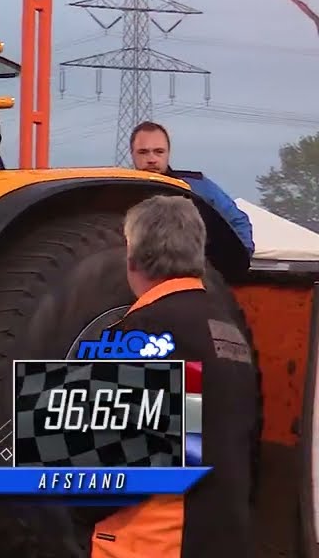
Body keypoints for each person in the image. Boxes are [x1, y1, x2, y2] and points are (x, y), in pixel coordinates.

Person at [82, 195, 258, 557]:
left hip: (157, 545)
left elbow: (112, 469)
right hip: (224, 539)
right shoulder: (228, 330)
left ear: (133, 257)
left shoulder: (141, 332)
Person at [129, 121, 255, 255]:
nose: (151, 159)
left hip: (192, 270)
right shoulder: (117, 190)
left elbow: (237, 221)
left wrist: (239, 261)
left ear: (168, 153)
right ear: (132, 154)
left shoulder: (197, 187)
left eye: (159, 151)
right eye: (143, 152)